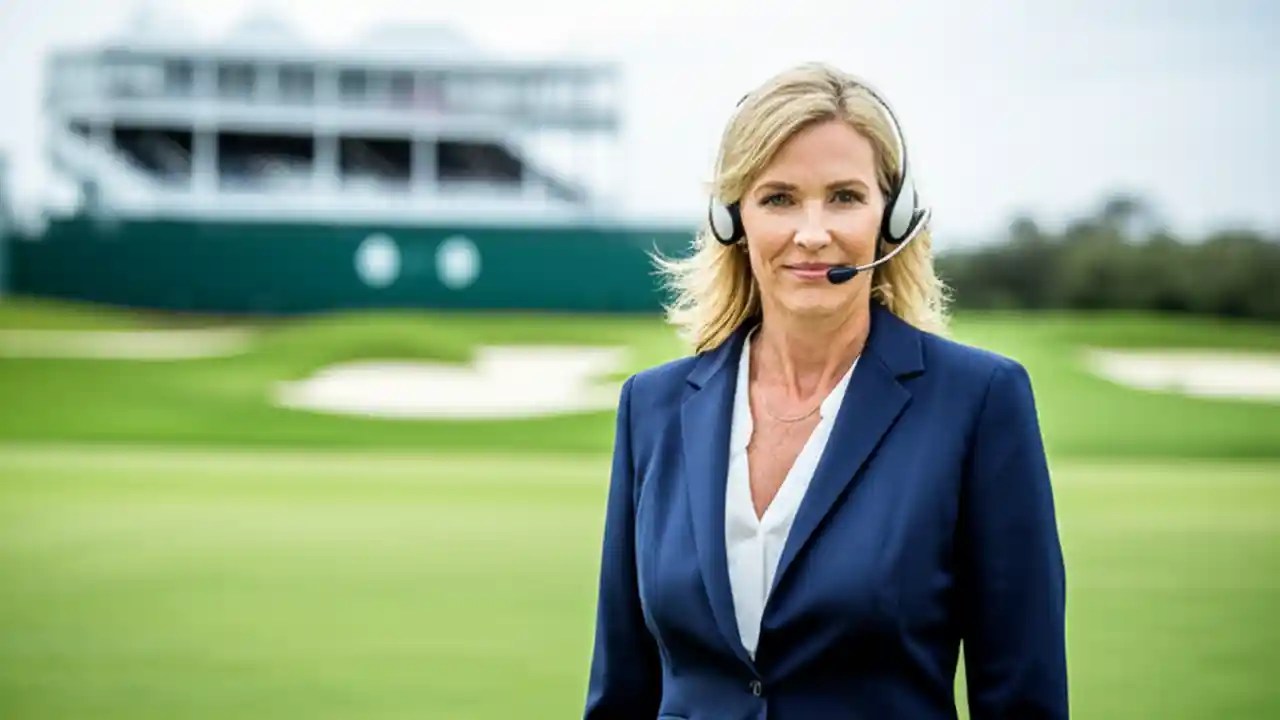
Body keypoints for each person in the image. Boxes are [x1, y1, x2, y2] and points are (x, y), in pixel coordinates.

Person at [583, 62, 1067, 719]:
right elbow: (621, 690)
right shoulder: (653, 407)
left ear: (891, 216)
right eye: (779, 198)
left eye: (844, 196)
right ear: (733, 219)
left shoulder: (979, 402)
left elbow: (1022, 700)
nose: (813, 233)